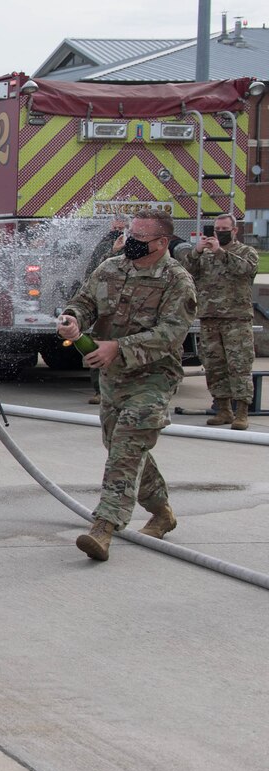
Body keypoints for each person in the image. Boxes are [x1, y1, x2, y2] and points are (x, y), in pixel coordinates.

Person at [57, 208, 197, 561]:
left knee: (127, 444)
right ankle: (162, 511)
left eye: (139, 238)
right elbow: (85, 301)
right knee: (122, 448)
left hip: (153, 377)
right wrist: (72, 320)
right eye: (129, 235)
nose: (129, 242)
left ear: (162, 242)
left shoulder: (177, 281)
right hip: (113, 378)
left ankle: (103, 527)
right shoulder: (111, 268)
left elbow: (170, 334)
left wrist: (118, 347)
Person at [178, 213, 259, 431]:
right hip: (209, 317)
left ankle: (241, 412)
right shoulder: (205, 254)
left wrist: (220, 252)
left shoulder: (245, 252)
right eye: (217, 229)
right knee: (214, 366)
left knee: (239, 366)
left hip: (236, 318)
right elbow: (186, 271)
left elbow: (246, 270)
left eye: (224, 229)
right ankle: (223, 409)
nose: (219, 233)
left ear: (234, 231)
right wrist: (196, 251)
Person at [81, 215, 130, 404]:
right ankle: (99, 391)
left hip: (126, 306)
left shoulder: (136, 246)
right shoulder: (105, 245)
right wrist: (114, 251)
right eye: (116, 227)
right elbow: (95, 269)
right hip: (106, 305)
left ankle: (122, 389)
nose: (118, 230)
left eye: (123, 227)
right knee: (99, 346)